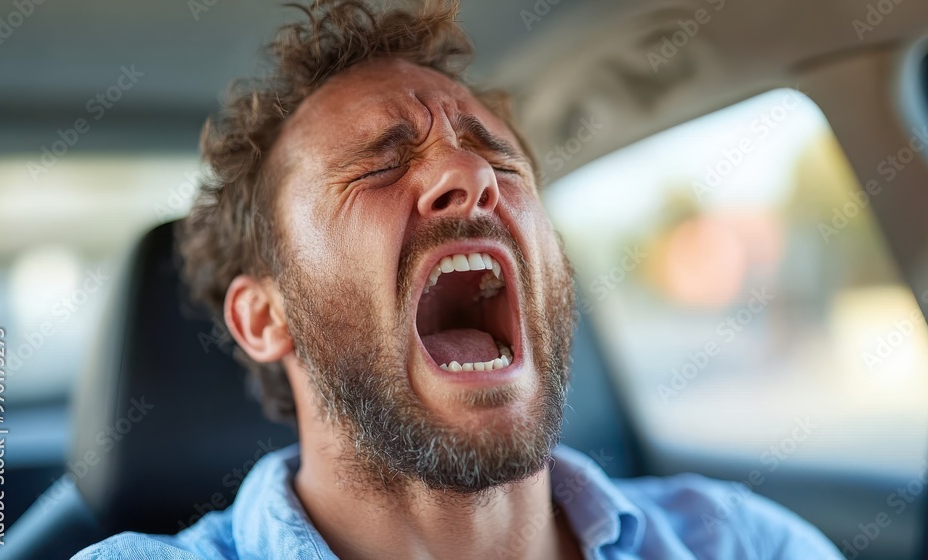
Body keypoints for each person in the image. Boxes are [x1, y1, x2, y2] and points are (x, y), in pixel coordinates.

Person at [73, 1, 841, 558]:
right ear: (263, 317)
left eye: (502, 161)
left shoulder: (732, 540)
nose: (471, 175)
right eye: (378, 163)